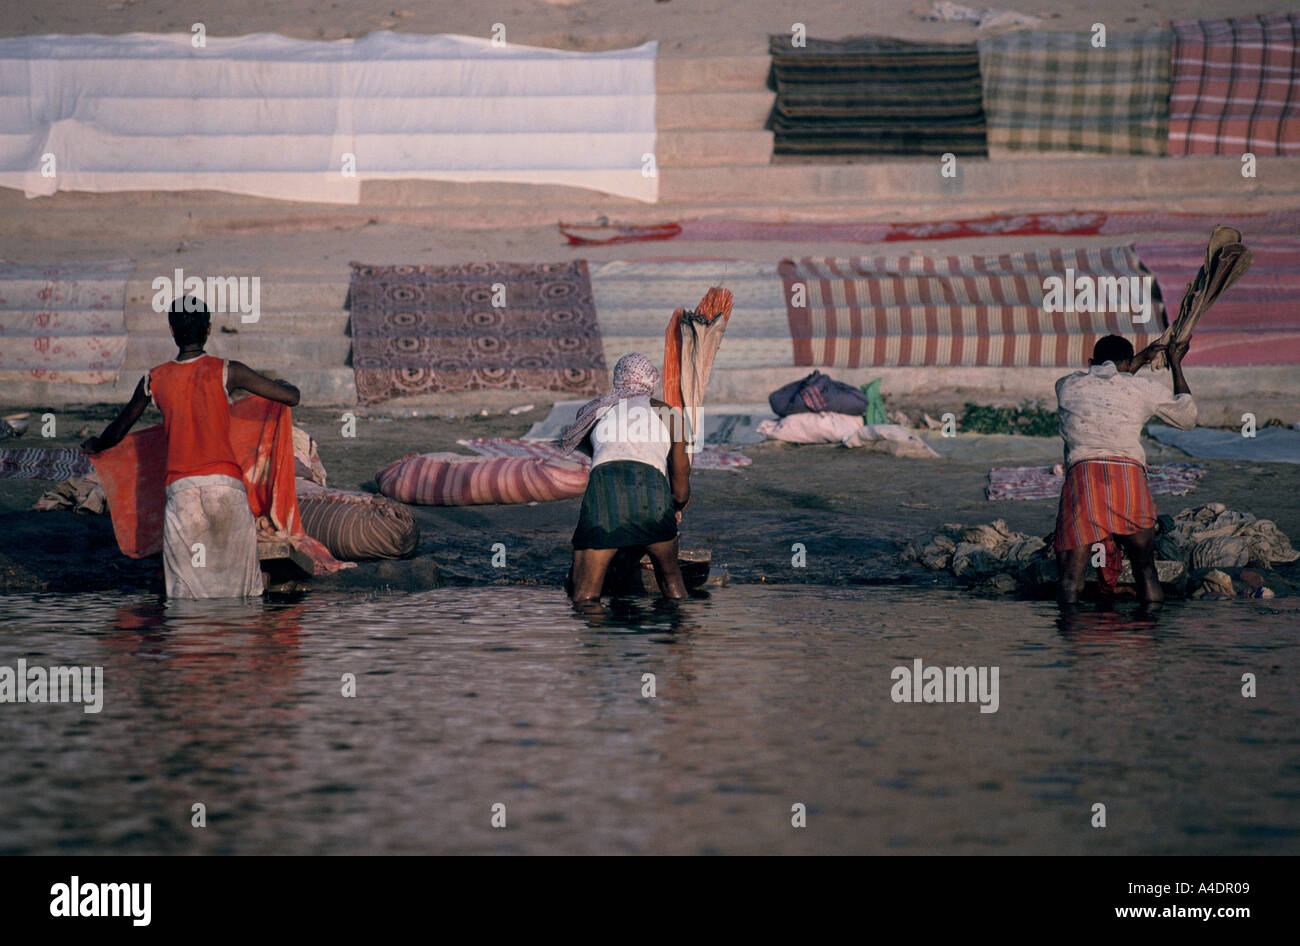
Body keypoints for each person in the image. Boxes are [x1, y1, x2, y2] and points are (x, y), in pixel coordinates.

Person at [82, 296, 301, 599]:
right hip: (227, 490)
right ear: (209, 329)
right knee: (242, 592)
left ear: (172, 331)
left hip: (182, 493)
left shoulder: (153, 379)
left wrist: (95, 443)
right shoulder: (228, 370)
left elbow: (118, 430)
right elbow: (289, 398)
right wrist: (290, 387)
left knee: (185, 594)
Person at [1053, 334, 1196, 611]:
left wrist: (1139, 358)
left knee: (1070, 580)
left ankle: (1070, 648)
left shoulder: (1067, 385)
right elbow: (1187, 418)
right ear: (1129, 362)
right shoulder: (1142, 388)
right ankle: (1148, 640)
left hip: (1085, 480)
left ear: (1091, 362)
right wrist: (1176, 364)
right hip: (1128, 479)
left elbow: (1111, 380)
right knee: (1145, 571)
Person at [560, 353, 691, 602]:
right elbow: (681, 493)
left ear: (618, 380)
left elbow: (598, 457)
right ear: (651, 381)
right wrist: (675, 508)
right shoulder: (670, 415)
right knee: (672, 583)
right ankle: (680, 633)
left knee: (584, 596)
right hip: (654, 500)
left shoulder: (593, 412)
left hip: (605, 500)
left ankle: (596, 637)